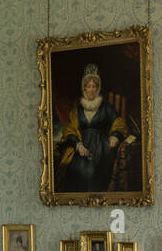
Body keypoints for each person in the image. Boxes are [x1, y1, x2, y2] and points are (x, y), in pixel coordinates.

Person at [57, 63, 134, 194]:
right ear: (84, 89)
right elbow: (70, 129)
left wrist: (115, 136)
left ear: (97, 88)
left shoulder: (105, 106)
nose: (91, 89)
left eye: (94, 86)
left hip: (102, 147)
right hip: (81, 146)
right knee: (73, 169)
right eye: (88, 86)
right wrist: (78, 145)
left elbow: (119, 122)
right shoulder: (78, 108)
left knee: (90, 171)